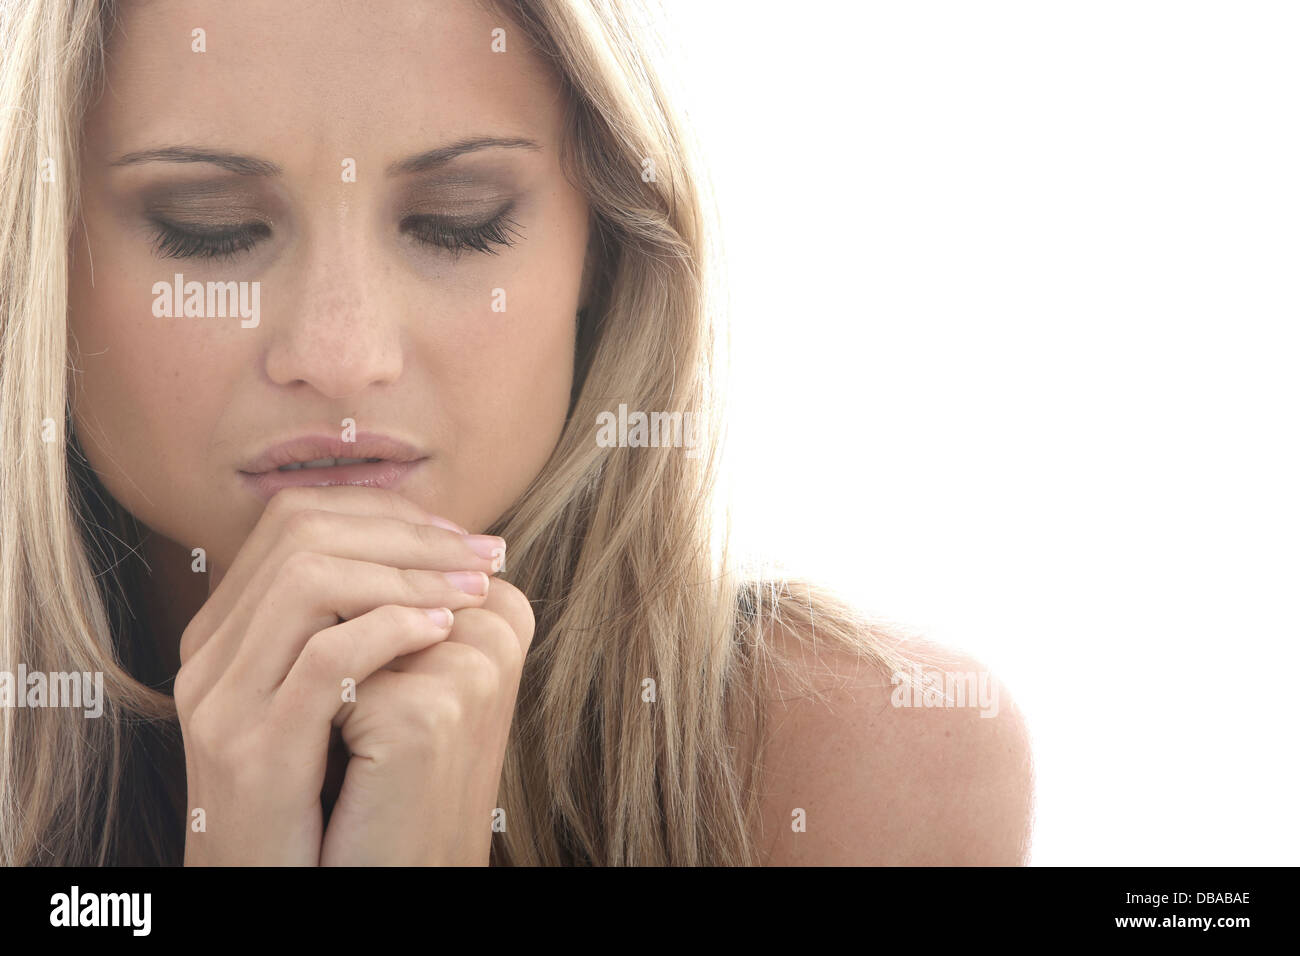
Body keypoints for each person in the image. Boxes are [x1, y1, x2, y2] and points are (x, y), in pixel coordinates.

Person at [0, 0, 1033, 865]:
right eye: (208, 225)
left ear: (604, 256)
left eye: (459, 219)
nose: (345, 351)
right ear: (37, 257)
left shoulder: (865, 764)